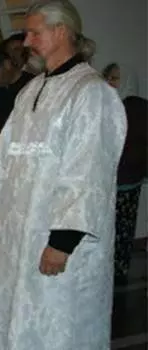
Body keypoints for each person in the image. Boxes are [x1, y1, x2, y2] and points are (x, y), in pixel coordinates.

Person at [0, 1, 127, 349]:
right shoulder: (32, 89)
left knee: (56, 323)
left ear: (61, 32)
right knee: (14, 317)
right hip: (18, 235)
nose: (26, 42)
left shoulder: (90, 93)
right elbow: (7, 158)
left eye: (34, 32)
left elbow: (90, 171)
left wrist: (62, 242)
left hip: (56, 238)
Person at [103, 63, 147, 285]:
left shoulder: (138, 109)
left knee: (122, 229)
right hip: (105, 181)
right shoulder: (102, 104)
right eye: (109, 77)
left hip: (127, 180)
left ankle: (118, 271)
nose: (112, 83)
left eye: (117, 78)